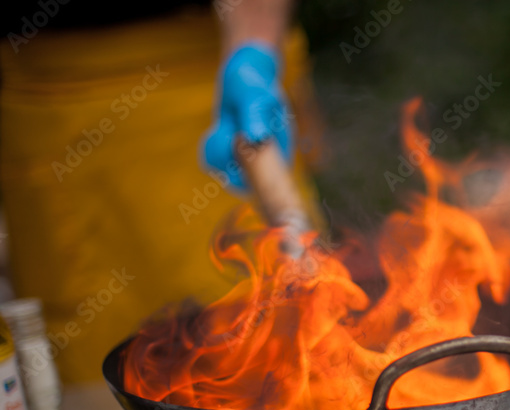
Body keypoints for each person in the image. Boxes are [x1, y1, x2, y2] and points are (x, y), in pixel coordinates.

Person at [0, 0, 322, 383]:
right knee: (111, 400)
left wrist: (253, 54)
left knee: (295, 344)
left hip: (223, 57)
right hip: (62, 99)